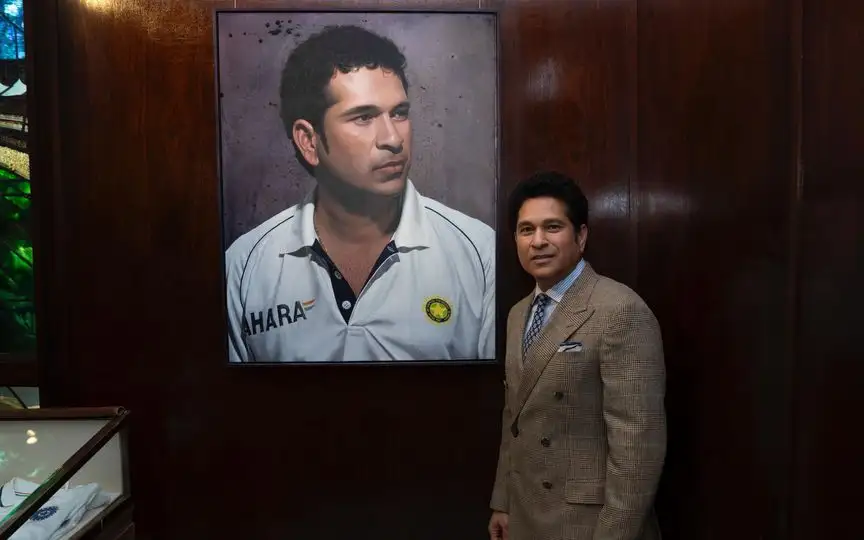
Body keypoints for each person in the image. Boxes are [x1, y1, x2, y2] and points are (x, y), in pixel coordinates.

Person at [224, 25, 495, 363]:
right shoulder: (244, 266)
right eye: (364, 117)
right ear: (309, 141)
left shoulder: (480, 254)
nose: (393, 139)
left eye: (399, 113)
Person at [488, 172, 666, 540]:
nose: (538, 241)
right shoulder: (519, 312)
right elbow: (513, 418)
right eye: (526, 230)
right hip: (525, 514)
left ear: (580, 236)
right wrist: (503, 502)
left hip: (589, 524)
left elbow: (637, 444)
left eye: (553, 227)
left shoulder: (619, 310)